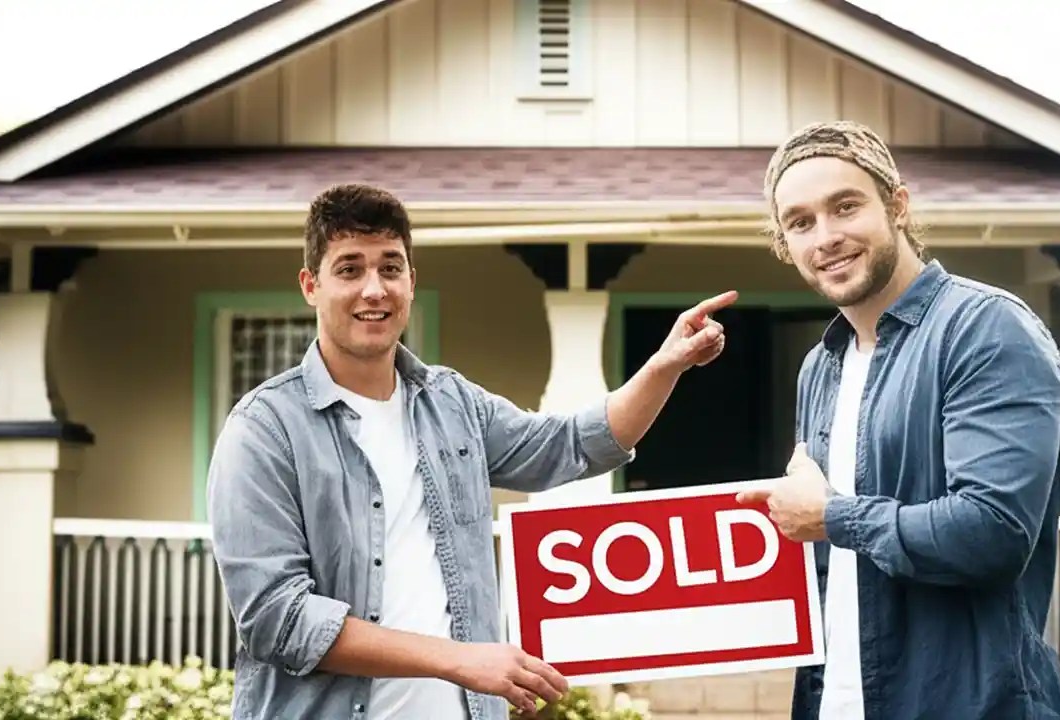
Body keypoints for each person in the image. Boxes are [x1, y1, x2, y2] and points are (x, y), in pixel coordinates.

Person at [206, 182, 738, 720]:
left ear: (412, 282)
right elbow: (279, 618)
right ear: (310, 285)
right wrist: (458, 661)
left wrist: (664, 365)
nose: (374, 289)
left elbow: (571, 445)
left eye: (390, 268)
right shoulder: (263, 431)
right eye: (349, 269)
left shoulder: (452, 403)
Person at [737, 120, 1060, 719]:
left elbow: (992, 532)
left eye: (845, 207)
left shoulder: (985, 330)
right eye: (801, 222)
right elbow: (822, 557)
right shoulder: (821, 366)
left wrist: (833, 515)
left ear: (897, 204)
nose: (827, 237)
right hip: (836, 702)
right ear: (785, 243)